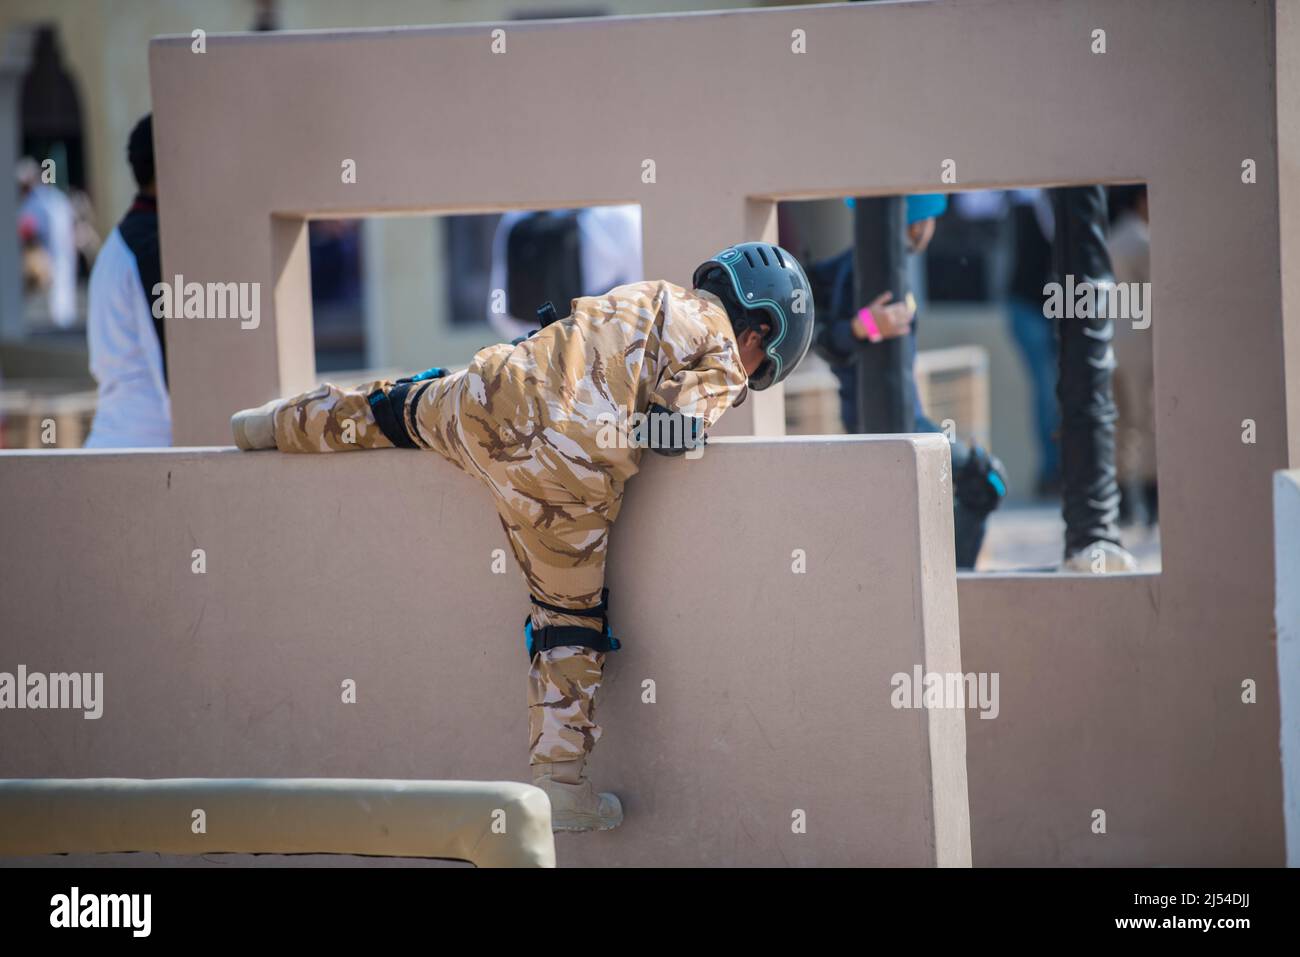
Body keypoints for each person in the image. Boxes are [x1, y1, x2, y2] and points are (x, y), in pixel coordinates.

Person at [229, 242, 815, 832]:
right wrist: (629, 425)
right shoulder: (721, 351)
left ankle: (272, 424)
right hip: (569, 468)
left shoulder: (652, 295)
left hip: (495, 394)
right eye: (760, 360)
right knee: (569, 620)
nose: (749, 370)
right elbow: (679, 429)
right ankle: (561, 789)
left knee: (397, 408)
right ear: (759, 327)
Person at [809, 194, 1007, 569]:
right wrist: (864, 326)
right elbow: (822, 339)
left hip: (906, 417)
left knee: (972, 488)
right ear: (919, 224)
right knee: (986, 481)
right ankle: (954, 589)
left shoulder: (888, 267)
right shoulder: (857, 272)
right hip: (875, 422)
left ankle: (950, 582)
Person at [84, 114, 170, 448]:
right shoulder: (149, 245)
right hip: (145, 449)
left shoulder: (123, 241)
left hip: (119, 442)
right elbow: (171, 365)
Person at [486, 205, 642, 342]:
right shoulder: (623, 216)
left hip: (534, 355)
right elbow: (642, 304)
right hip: (599, 354)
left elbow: (498, 312)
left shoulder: (515, 216)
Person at [1107, 185, 1156, 526]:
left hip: (1110, 342)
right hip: (1139, 342)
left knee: (1119, 425)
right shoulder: (1142, 240)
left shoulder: (1109, 237)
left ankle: (1123, 502)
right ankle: (1153, 500)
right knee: (1147, 423)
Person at [16, 157, 78, 329]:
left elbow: (28, 229)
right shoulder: (53, 197)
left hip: (49, 254)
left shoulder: (41, 200)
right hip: (56, 253)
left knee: (57, 295)